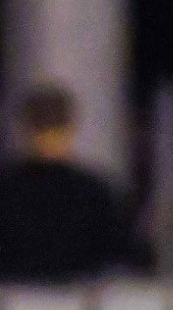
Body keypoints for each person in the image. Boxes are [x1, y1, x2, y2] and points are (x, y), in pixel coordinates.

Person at [0, 84, 141, 281]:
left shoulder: (7, 189)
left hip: (17, 301)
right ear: (70, 127)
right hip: (79, 303)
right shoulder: (94, 191)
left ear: (26, 127)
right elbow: (120, 253)